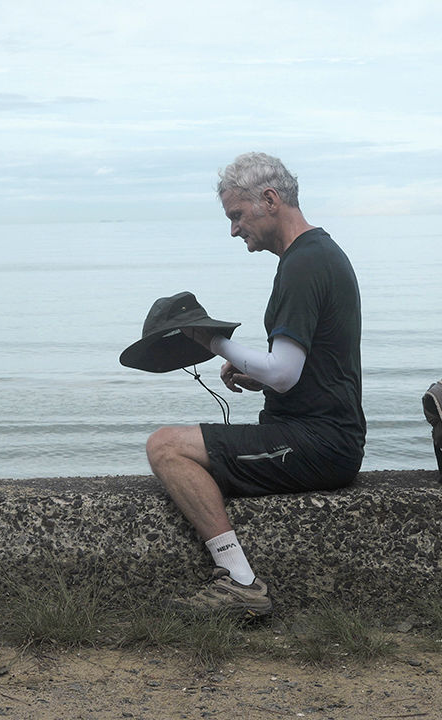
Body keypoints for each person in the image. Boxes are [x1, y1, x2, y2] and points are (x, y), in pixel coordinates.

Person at [145, 152, 365, 618]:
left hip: (319, 443)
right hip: (322, 434)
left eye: (237, 215)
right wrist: (252, 371)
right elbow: (300, 371)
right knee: (175, 446)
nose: (233, 230)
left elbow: (283, 373)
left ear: (269, 200)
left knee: (166, 447)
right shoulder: (316, 255)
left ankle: (240, 583)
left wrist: (214, 341)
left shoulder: (304, 264)